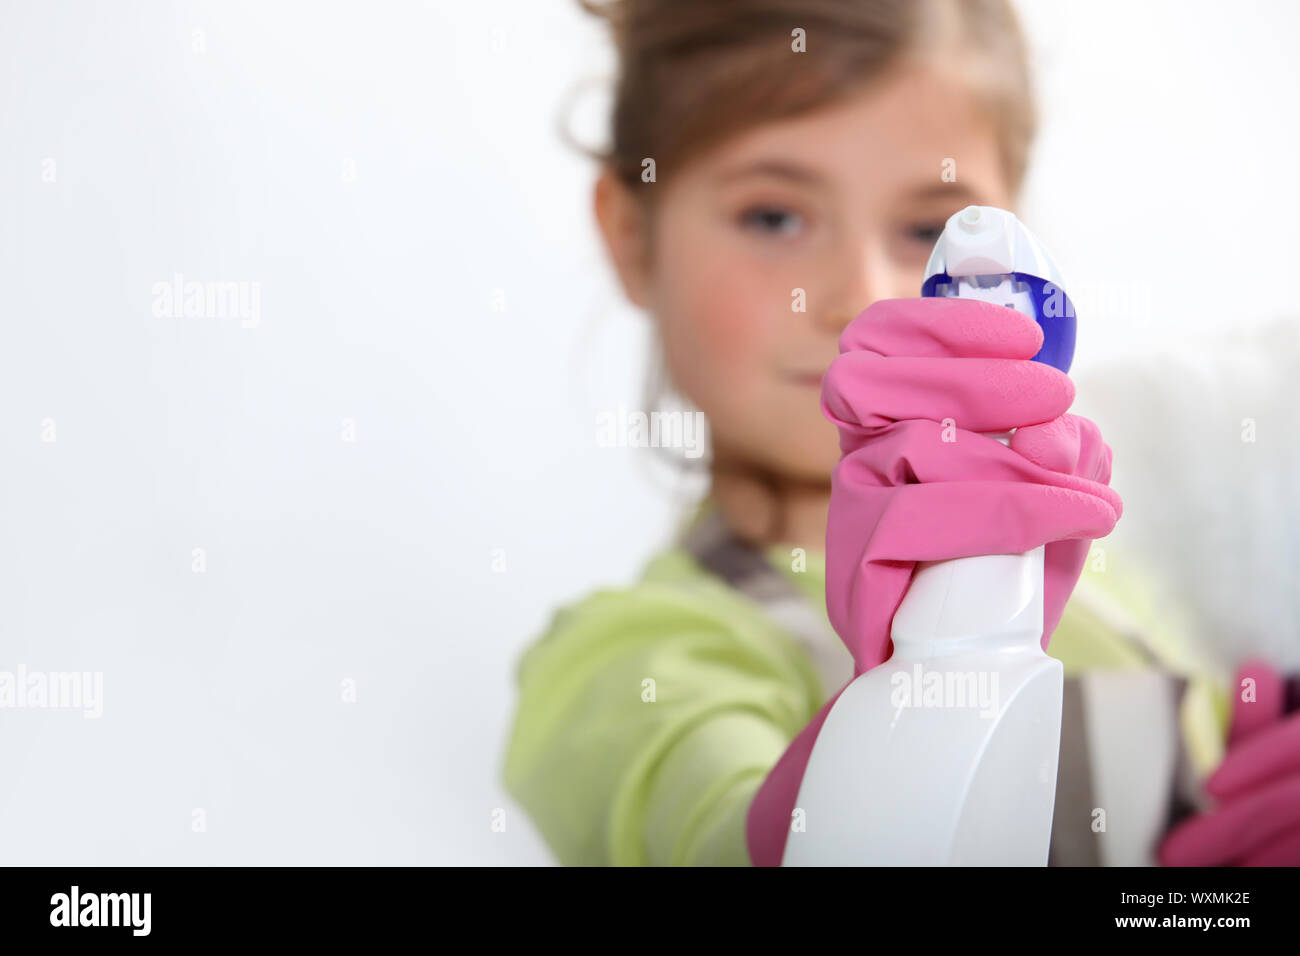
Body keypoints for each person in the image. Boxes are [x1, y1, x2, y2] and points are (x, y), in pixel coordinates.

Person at [502, 0, 1260, 866]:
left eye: (928, 230)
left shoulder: (1095, 562)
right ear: (632, 238)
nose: (861, 293)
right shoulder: (631, 662)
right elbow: (730, 834)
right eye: (773, 218)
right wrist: (914, 697)